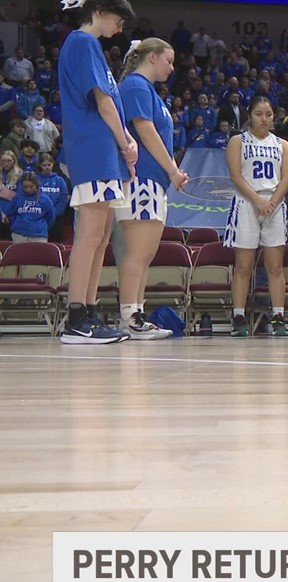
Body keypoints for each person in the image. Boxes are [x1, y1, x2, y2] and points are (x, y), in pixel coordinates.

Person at [58, 0, 138, 344]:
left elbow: (110, 103)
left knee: (101, 236)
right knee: (90, 235)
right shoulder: (82, 42)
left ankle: (89, 312)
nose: (120, 28)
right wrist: (125, 142)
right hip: (92, 149)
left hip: (102, 150)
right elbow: (103, 103)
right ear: (100, 10)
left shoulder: (89, 46)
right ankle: (77, 318)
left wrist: (124, 141)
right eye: (119, 20)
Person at [114, 37, 188, 341]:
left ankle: (136, 315)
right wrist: (172, 170)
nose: (172, 67)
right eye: (169, 61)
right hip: (140, 178)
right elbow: (145, 131)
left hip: (153, 180)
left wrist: (172, 171)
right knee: (136, 253)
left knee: (144, 255)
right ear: (153, 57)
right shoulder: (136, 86)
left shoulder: (148, 91)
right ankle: (129, 317)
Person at [223, 95, 288, 337]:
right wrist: (257, 200)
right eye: (259, 114)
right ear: (250, 115)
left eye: (268, 114)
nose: (264, 119)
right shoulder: (238, 141)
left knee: (275, 266)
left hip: (274, 203)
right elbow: (235, 176)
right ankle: (238, 317)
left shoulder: (282, 145)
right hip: (247, 202)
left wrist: (272, 201)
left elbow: (287, 177)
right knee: (243, 265)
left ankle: (278, 317)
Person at [0, 174, 55, 242]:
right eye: (25, 187)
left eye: (31, 187)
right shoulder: (17, 198)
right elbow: (11, 214)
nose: (28, 189)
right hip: (19, 234)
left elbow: (51, 217)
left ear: (36, 185)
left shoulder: (45, 199)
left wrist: (41, 228)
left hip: (39, 235)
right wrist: (17, 225)